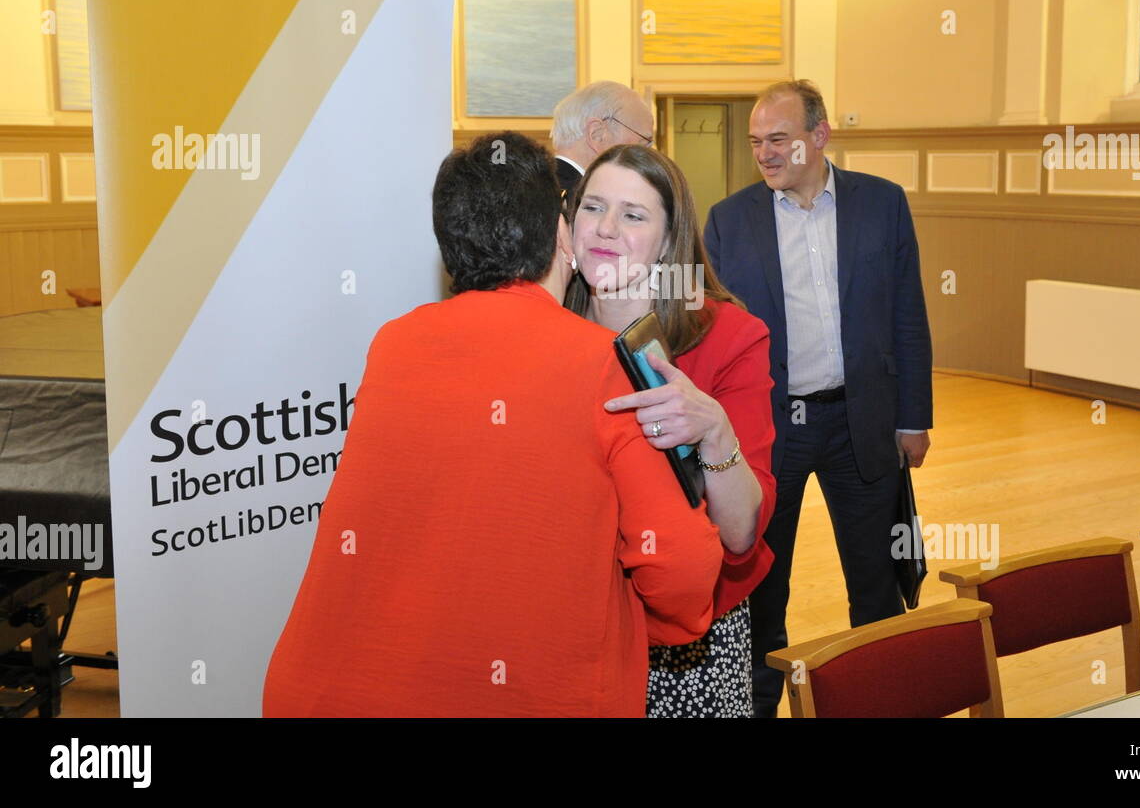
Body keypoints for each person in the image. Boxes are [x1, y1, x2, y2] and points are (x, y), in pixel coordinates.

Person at [262, 132, 722, 718]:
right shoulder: (603, 362)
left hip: (328, 687)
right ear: (559, 234)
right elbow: (680, 570)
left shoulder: (395, 343)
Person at [703, 79, 933, 719]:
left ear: (820, 135)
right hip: (771, 432)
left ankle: (880, 701)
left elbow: (907, 316)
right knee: (761, 591)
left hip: (863, 425)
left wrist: (914, 416)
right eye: (756, 143)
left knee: (877, 583)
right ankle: (756, 709)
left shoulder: (882, 205)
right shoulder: (729, 220)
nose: (765, 154)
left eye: (778, 139)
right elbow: (715, 338)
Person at [565, 143, 777, 718]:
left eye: (633, 215)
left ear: (668, 241)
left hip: (686, 641)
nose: (605, 229)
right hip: (571, 623)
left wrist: (716, 432)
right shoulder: (546, 329)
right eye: (592, 208)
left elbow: (740, 534)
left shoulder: (730, 337)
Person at [550, 81, 656, 197]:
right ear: (597, 135)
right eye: (644, 143)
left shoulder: (542, 187)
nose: (650, 155)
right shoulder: (576, 202)